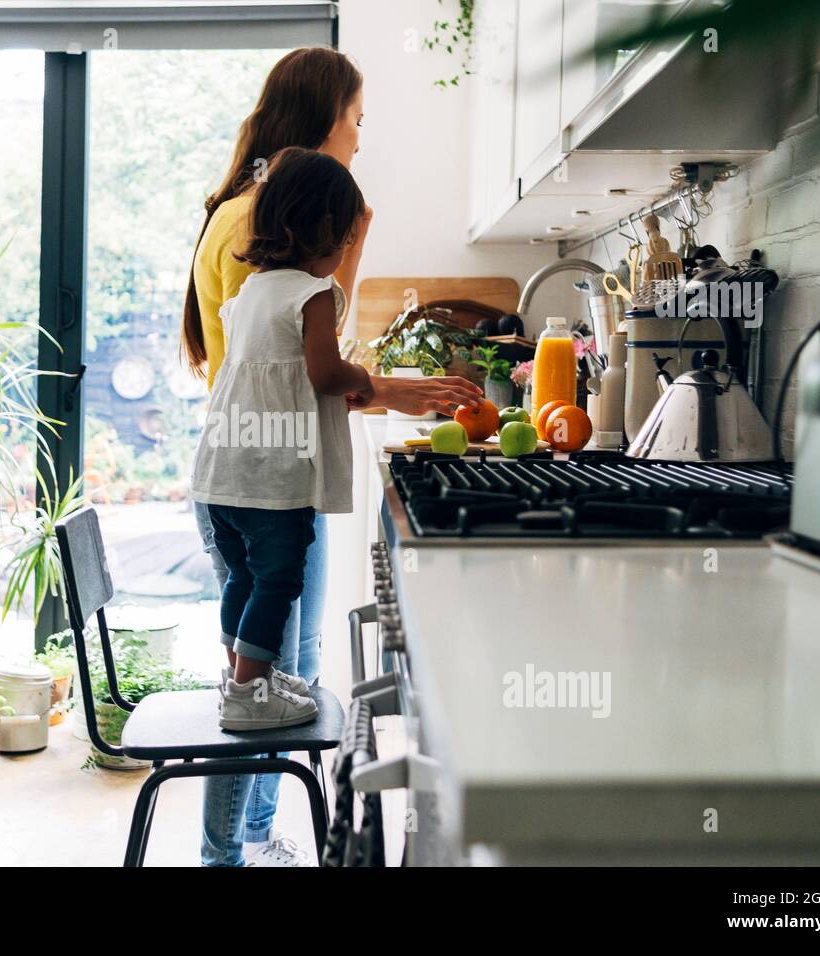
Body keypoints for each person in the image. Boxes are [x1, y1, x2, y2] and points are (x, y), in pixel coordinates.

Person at [183, 49, 484, 867]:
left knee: (263, 649)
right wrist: (356, 247)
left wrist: (401, 390)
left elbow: (307, 366)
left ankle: (244, 838)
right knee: (276, 662)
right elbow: (327, 362)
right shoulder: (272, 234)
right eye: (355, 118)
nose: (360, 136)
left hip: (231, 470)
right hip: (264, 474)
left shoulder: (253, 234)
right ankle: (229, 851)